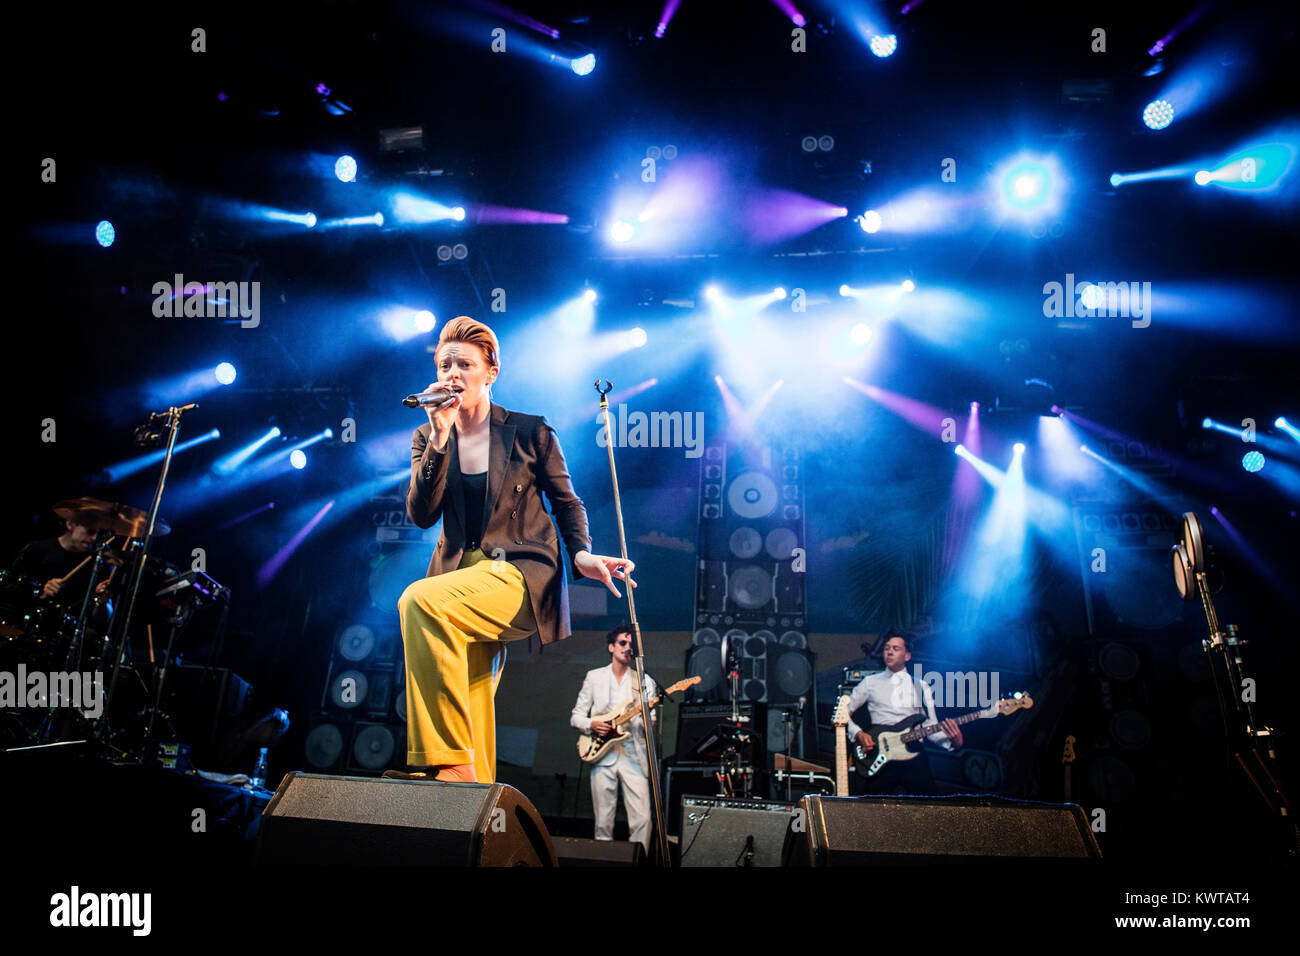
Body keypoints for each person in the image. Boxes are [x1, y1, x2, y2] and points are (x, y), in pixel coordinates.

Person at [392, 316, 635, 784]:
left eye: (464, 364)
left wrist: (581, 554)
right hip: (458, 579)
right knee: (468, 692)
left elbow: (567, 502)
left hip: (519, 572)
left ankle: (445, 759)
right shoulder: (429, 437)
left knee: (418, 601)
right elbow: (422, 514)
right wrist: (440, 437)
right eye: (445, 365)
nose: (452, 374)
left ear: (491, 372)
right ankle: (470, 801)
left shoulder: (529, 431)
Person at [844, 630, 963, 795]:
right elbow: (842, 713)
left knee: (929, 807)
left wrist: (952, 742)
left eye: (895, 648)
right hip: (880, 754)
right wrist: (858, 734)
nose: (890, 652)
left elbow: (930, 726)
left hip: (913, 752)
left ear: (907, 656)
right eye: (887, 648)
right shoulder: (869, 683)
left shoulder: (921, 686)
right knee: (874, 809)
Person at [570, 625, 656, 851]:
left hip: (633, 755)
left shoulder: (644, 681)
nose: (627, 648)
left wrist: (643, 712)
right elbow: (576, 716)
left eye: (631, 645)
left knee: (643, 820)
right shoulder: (594, 677)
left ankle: (640, 860)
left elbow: (652, 722)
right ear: (611, 647)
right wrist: (592, 724)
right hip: (602, 753)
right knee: (603, 822)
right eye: (622, 643)